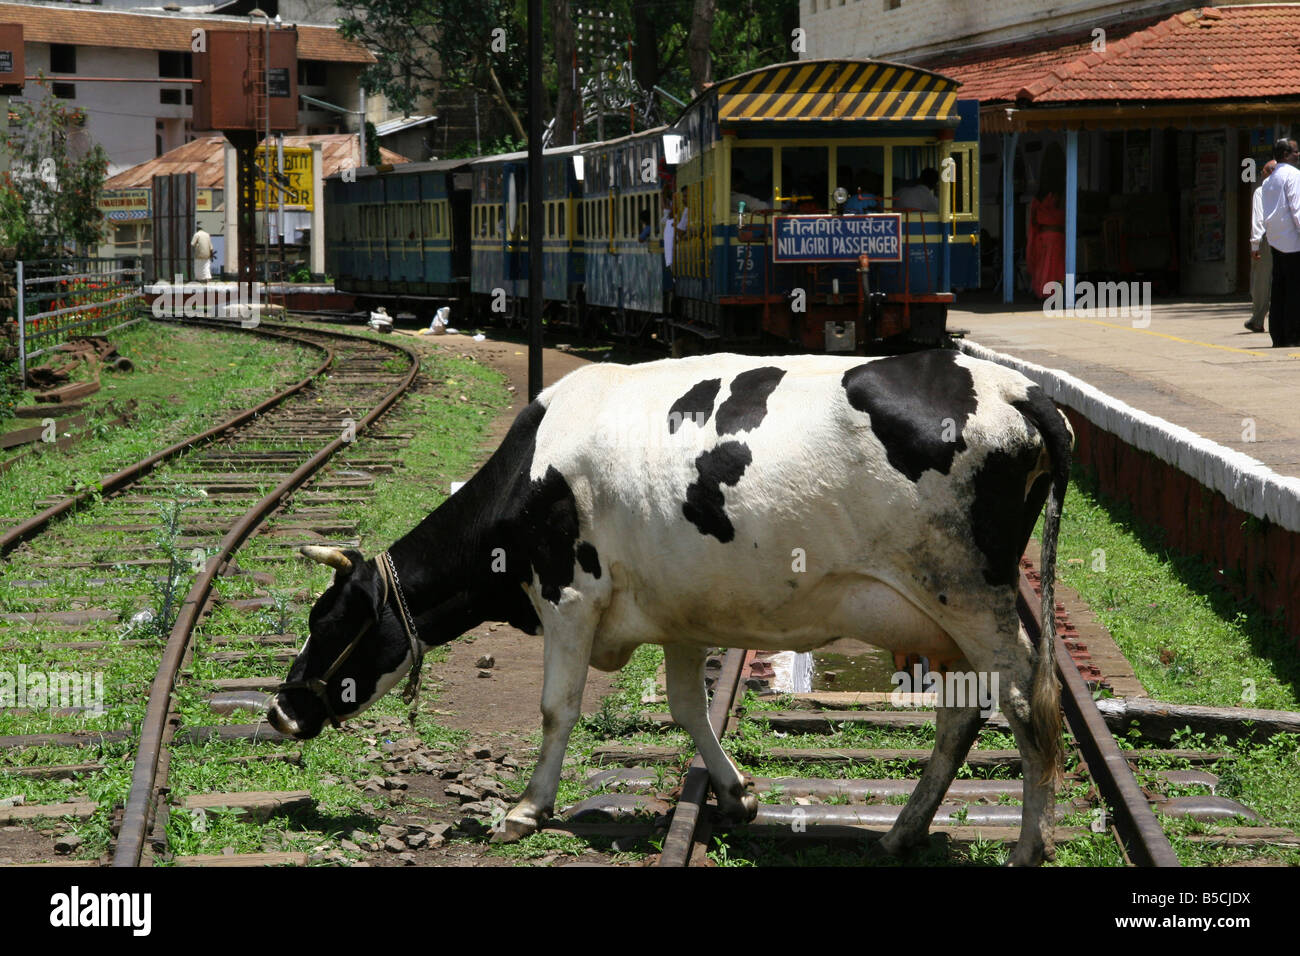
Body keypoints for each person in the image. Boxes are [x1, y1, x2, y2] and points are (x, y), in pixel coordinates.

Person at [1260, 138, 1300, 347]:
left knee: (1279, 290)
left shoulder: (1269, 180)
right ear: (1285, 155)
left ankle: (1279, 336)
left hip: (1276, 241)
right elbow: (1297, 209)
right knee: (1294, 291)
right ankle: (1293, 335)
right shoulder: (1293, 176)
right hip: (1293, 241)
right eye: (1295, 151)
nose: (1298, 154)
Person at [1026, 143, 1066, 300]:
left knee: (1044, 266)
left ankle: (1043, 292)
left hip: (1042, 234)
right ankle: (1057, 293)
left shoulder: (1041, 190)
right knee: (1056, 266)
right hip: (1058, 234)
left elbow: (1034, 216)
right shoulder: (1061, 189)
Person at [1247, 159, 1278, 332]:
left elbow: (1258, 220)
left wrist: (1255, 245)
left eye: (1264, 171)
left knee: (1261, 280)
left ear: (1270, 172)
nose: (1261, 174)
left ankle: (1258, 319)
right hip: (1289, 238)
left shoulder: (1262, 190)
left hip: (1267, 240)